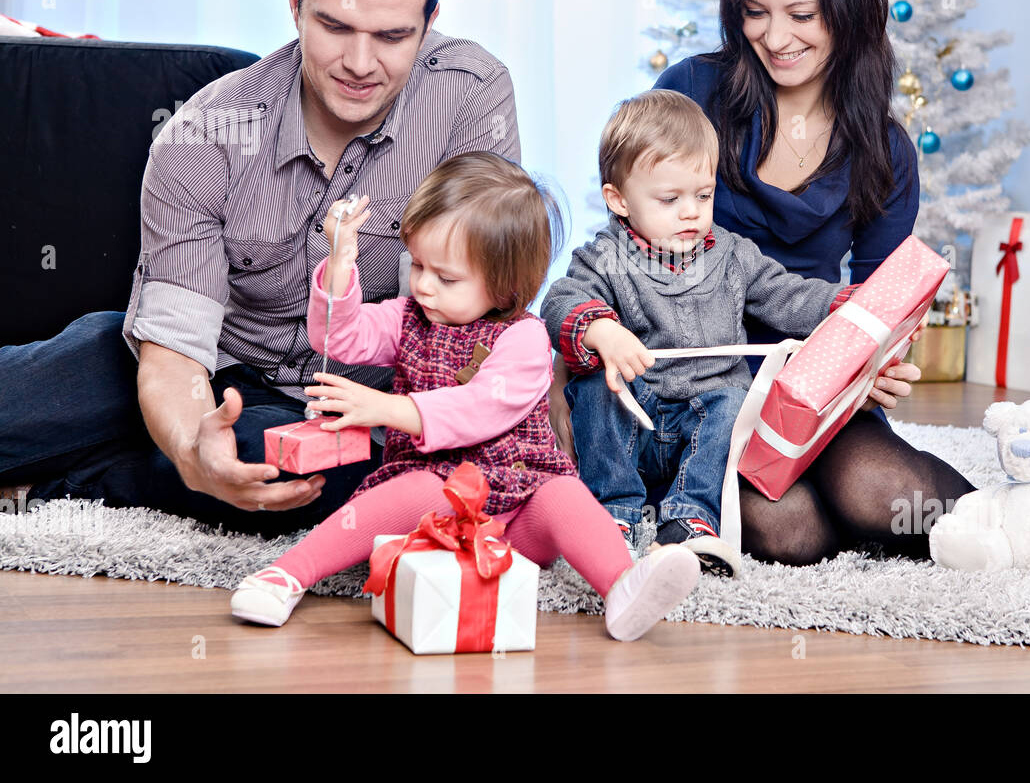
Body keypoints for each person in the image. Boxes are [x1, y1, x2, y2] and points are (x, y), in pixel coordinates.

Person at [550, 0, 1030, 565]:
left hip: (811, 382)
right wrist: (580, 353)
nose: (776, 38)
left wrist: (878, 362)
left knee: (879, 490)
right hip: (702, 393)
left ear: (850, 9)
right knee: (784, 532)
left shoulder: (884, 152)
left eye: (801, 15)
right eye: (755, 13)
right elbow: (629, 242)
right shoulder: (695, 93)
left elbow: (878, 302)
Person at [0, 0, 523, 536]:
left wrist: (208, 455)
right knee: (79, 375)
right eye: (335, 27)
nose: (360, 65)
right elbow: (173, 349)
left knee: (337, 478)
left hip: (365, 404)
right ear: (294, 2)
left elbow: (485, 302)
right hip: (208, 369)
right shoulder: (202, 134)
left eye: (392, 36)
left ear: (430, 18)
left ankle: (79, 482)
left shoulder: (473, 97)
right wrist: (192, 438)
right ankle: (167, 451)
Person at [231, 153, 701, 640]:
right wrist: (340, 267)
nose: (424, 286)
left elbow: (481, 408)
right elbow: (339, 339)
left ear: (506, 287)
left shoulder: (524, 338)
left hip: (517, 518)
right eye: (417, 265)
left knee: (564, 494)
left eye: (446, 277)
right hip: (433, 510)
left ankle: (621, 585)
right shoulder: (407, 316)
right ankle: (286, 574)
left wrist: (390, 409)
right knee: (419, 489)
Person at [541, 89, 865, 576]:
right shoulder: (604, 257)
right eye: (670, 199)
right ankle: (615, 513)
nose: (691, 211)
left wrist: (842, 305)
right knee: (594, 387)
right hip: (636, 416)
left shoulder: (733, 255)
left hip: (705, 429)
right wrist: (601, 331)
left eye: (704, 195)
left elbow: (787, 294)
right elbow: (559, 302)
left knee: (737, 400)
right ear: (619, 200)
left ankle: (689, 519)